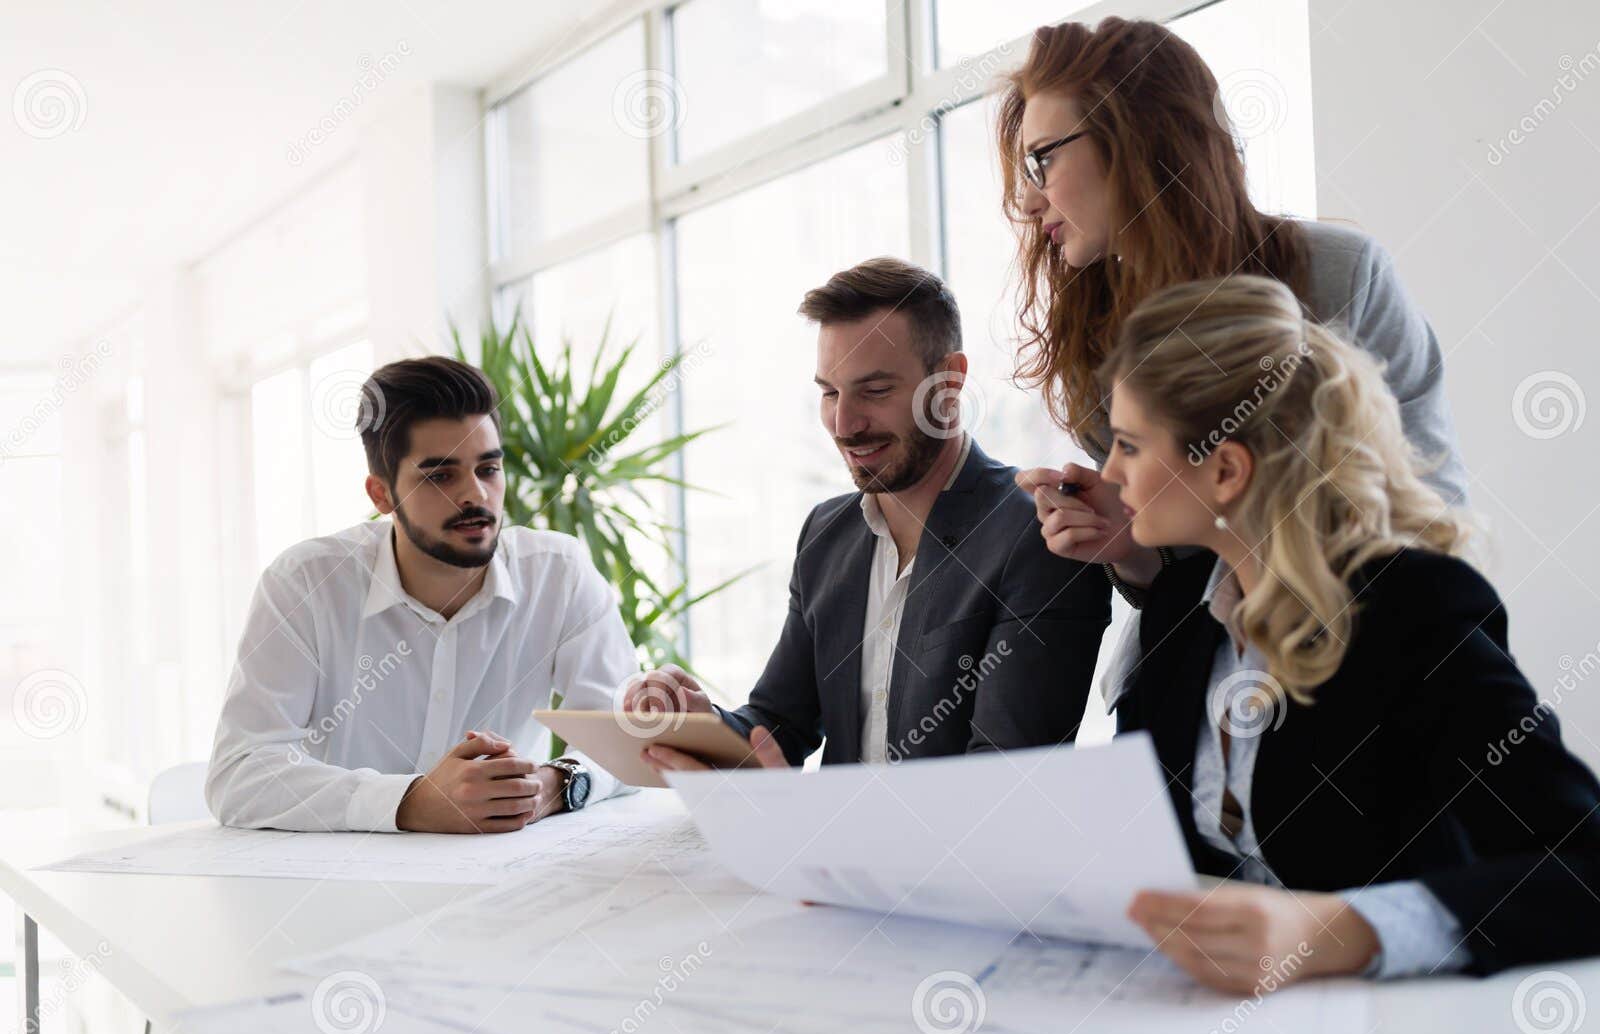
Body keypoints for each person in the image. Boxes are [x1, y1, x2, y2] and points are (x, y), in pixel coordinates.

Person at [1098, 274, 1600, 993]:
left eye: (1127, 445)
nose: (1110, 472)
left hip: (1396, 1030)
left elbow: (1584, 867)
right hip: (1202, 1015)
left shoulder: (1418, 611)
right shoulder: (1179, 607)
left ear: (1226, 469)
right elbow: (1142, 836)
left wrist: (1335, 931)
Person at [996, 17, 1467, 706]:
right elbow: (1178, 571)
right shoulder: (1091, 336)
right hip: (1196, 678)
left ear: (1136, 143)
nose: (1027, 198)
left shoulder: (1341, 278)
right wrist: (1131, 544)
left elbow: (1428, 511)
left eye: (1043, 160)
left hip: (1360, 666)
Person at [628, 257, 1110, 775]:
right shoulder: (825, 534)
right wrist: (704, 724)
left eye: (875, 392)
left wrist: (801, 813)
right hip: (830, 830)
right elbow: (779, 723)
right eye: (829, 392)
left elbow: (1004, 780)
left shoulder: (1036, 533)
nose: (843, 424)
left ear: (949, 382)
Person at [206, 356, 638, 832]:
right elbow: (240, 774)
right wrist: (411, 801)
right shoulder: (306, 583)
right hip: (346, 871)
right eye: (440, 476)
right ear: (382, 495)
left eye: (488, 469)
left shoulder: (558, 573)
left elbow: (627, 733)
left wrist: (551, 787)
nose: (475, 495)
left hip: (505, 864)